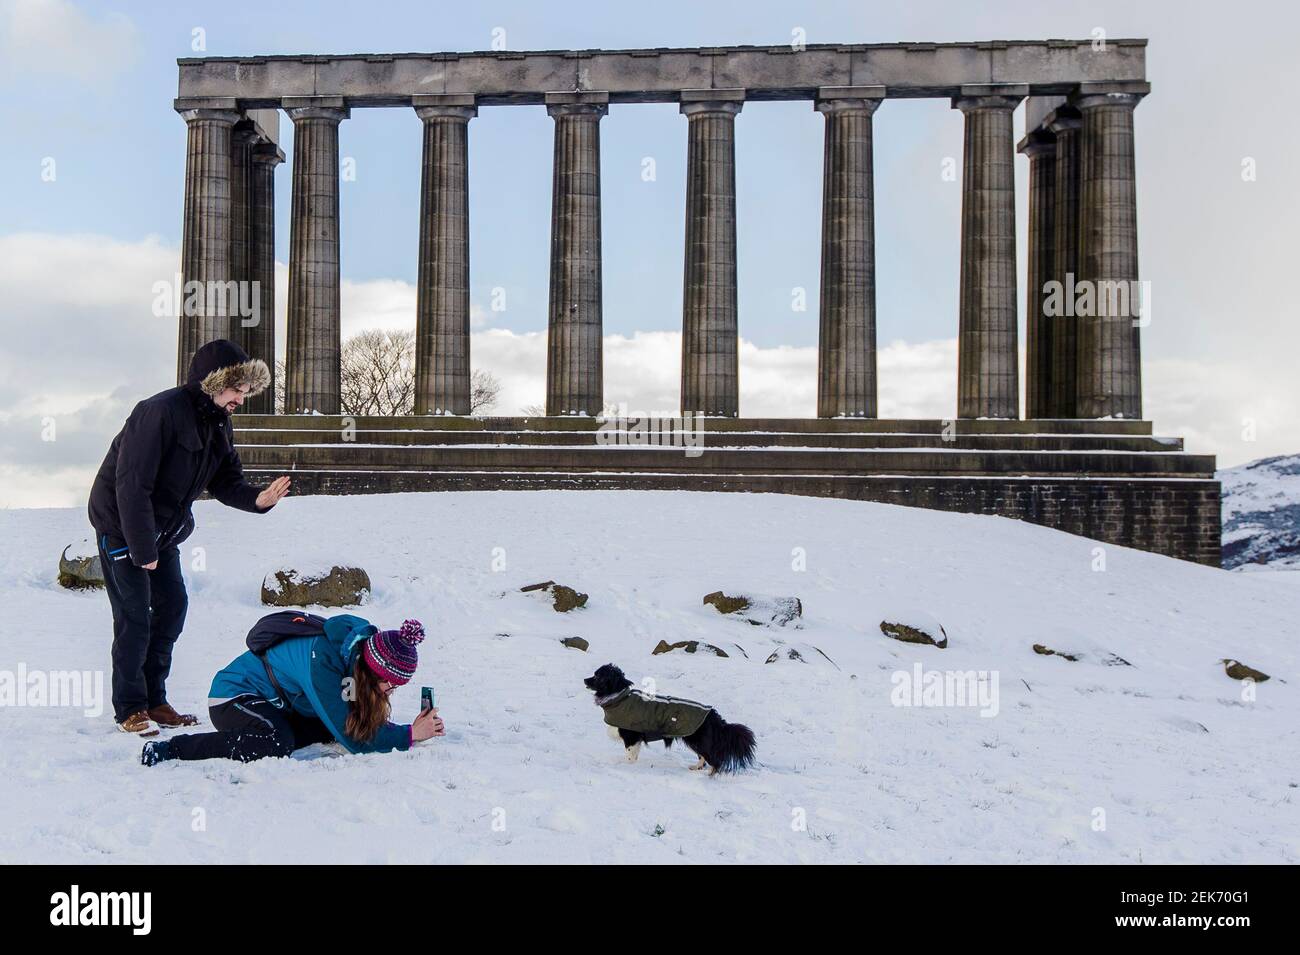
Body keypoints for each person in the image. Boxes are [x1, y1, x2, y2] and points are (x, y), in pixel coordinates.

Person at [88, 339, 292, 736]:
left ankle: (155, 700)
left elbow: (225, 480)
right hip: (121, 526)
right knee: (134, 615)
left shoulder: (218, 424)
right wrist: (141, 548)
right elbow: (132, 485)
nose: (241, 399)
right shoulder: (157, 412)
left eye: (246, 392)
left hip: (162, 532)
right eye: (237, 390)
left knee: (172, 607)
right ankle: (130, 708)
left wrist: (258, 499)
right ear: (215, 383)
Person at [141, 615, 445, 766]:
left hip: (278, 704)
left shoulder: (352, 658)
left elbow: (352, 716)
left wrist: (393, 728)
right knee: (277, 742)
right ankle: (176, 749)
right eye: (388, 682)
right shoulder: (323, 661)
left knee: (324, 728)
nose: (390, 691)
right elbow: (354, 740)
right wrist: (409, 735)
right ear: (370, 667)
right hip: (233, 697)